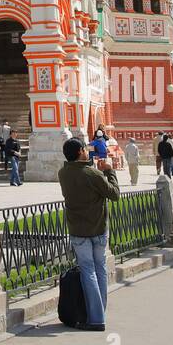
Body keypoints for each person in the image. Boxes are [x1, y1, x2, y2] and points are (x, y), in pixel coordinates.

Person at [58, 137, 120, 332]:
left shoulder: (63, 173)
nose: (87, 151)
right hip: (99, 229)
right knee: (98, 269)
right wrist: (109, 171)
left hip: (78, 230)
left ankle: (97, 315)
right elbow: (114, 194)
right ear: (79, 153)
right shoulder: (91, 173)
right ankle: (97, 316)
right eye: (84, 149)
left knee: (88, 270)